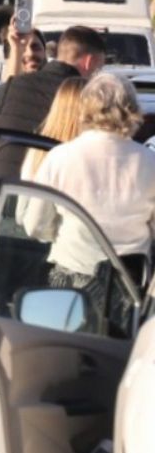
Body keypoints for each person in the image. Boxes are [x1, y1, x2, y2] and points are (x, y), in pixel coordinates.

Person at [0, 24, 105, 241]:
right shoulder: (84, 99)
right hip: (45, 214)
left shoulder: (8, 88)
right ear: (89, 62)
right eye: (98, 69)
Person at [23, 74, 155, 309]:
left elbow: (35, 225)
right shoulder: (149, 162)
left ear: (85, 109)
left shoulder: (60, 157)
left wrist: (62, 232)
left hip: (70, 280)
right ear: (132, 110)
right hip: (130, 286)